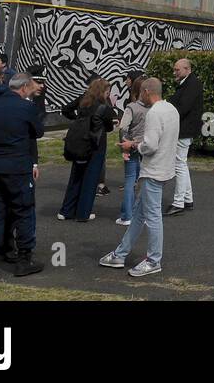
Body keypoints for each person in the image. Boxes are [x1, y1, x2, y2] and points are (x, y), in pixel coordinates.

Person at [99, 76, 179, 277]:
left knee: (152, 217)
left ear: (145, 92)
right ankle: (121, 253)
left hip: (153, 169)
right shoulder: (172, 109)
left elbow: (150, 146)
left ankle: (153, 260)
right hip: (164, 167)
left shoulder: (154, 113)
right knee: (140, 214)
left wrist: (133, 145)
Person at [0, 70, 44, 279]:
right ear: (23, 88)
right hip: (17, 167)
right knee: (23, 211)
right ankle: (24, 258)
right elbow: (38, 131)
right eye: (31, 87)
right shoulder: (26, 107)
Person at [57, 78, 116, 221]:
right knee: (90, 179)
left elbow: (65, 109)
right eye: (107, 92)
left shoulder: (83, 100)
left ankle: (66, 211)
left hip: (79, 142)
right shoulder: (103, 107)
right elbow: (109, 127)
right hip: (96, 145)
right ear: (103, 92)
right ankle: (83, 213)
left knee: (76, 177)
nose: (108, 95)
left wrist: (76, 119)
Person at [167, 58, 202, 216]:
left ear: (187, 69)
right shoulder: (190, 83)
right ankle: (187, 200)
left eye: (177, 70)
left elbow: (183, 107)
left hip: (183, 130)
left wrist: (167, 114)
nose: (175, 72)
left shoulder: (192, 84)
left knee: (179, 165)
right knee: (182, 164)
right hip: (185, 129)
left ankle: (178, 202)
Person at [116, 76, 149, 227]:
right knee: (145, 181)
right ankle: (143, 214)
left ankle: (127, 215)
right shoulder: (154, 108)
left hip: (132, 145)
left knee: (130, 180)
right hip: (147, 146)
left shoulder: (131, 107)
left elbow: (123, 127)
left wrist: (125, 143)